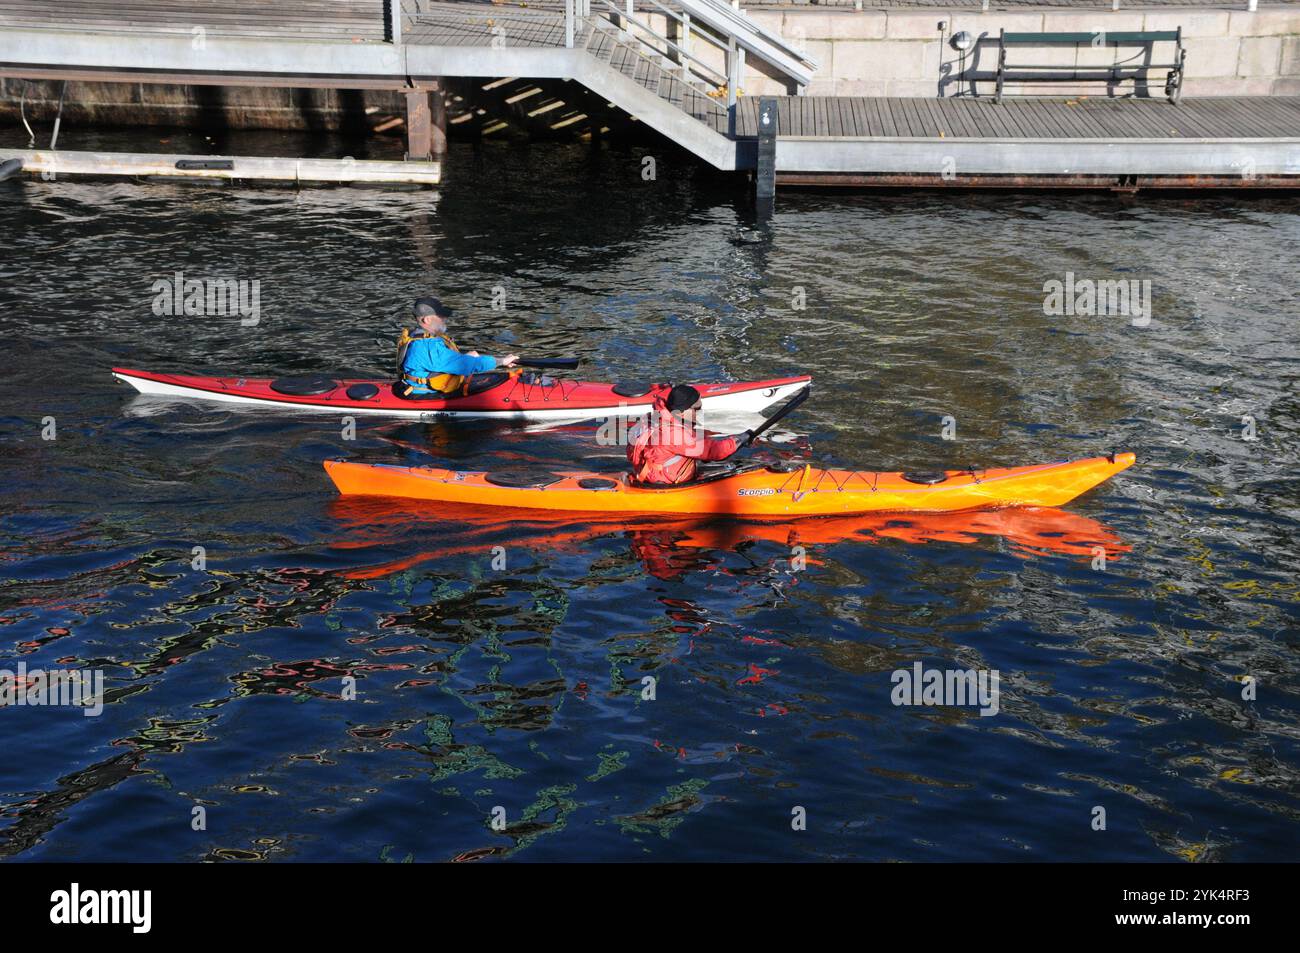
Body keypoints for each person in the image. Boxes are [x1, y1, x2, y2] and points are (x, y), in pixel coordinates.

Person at [627, 384, 752, 485]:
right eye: (696, 409)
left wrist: (730, 436)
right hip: (665, 483)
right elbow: (713, 451)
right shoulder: (674, 433)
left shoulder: (654, 419)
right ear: (682, 411)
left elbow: (691, 438)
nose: (699, 412)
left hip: (650, 475)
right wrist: (739, 440)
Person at [396, 296, 519, 397]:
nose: (445, 319)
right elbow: (468, 366)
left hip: (422, 385)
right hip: (425, 394)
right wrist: (502, 361)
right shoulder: (427, 346)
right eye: (440, 316)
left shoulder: (418, 337)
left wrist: (466, 357)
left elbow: (442, 362)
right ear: (427, 320)